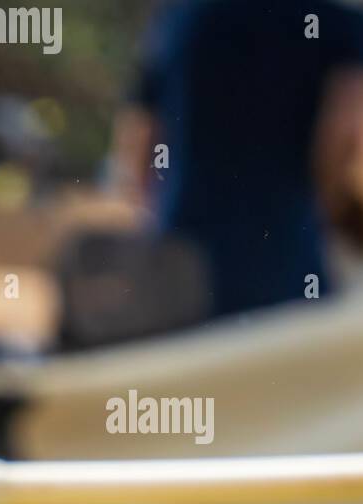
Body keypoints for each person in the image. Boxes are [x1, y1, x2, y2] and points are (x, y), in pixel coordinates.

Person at [116, 0, 363, 319]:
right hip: (287, 261)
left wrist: (154, 220)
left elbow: (139, 144)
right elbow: (342, 137)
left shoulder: (180, 16)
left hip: (181, 259)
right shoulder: (336, 23)